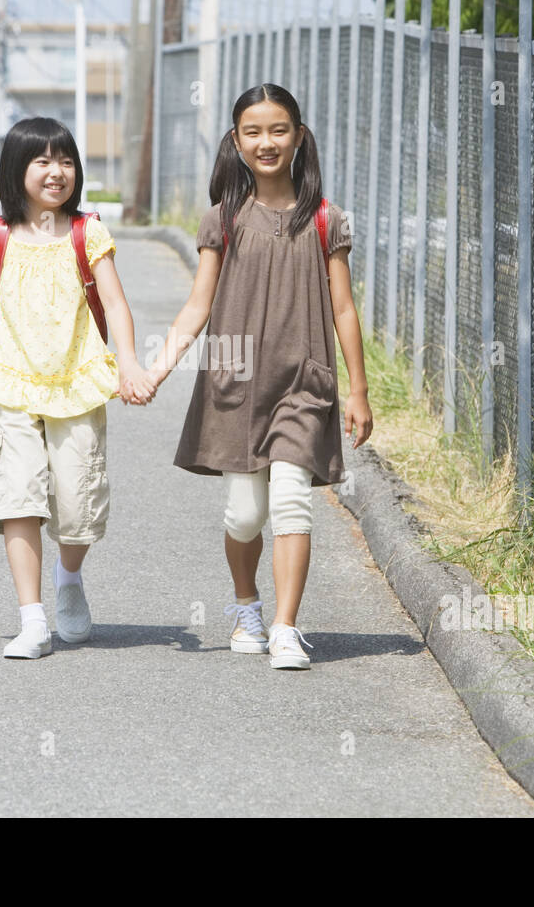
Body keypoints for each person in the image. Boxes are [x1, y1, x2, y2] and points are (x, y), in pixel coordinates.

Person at [144, 83, 373, 670]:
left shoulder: (326, 219)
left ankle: (284, 628)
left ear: (299, 136)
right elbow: (199, 305)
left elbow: (343, 309)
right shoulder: (223, 218)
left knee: (293, 502)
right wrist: (158, 368)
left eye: (278, 130)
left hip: (304, 384)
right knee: (245, 514)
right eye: (253, 131)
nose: (266, 142)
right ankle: (246, 604)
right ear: (236, 141)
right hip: (237, 386)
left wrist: (359, 391)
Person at [0, 117, 154, 659]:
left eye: (65, 160)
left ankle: (69, 578)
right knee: (18, 492)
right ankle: (32, 619)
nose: (56, 172)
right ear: (15, 170)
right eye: (41, 161)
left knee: (76, 503)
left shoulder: (88, 233)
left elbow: (115, 304)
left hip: (78, 380)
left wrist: (128, 364)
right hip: (11, 381)